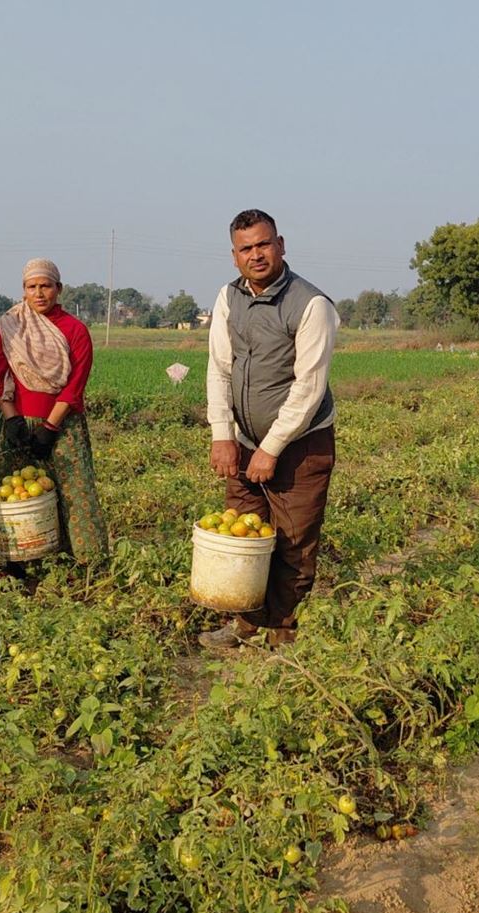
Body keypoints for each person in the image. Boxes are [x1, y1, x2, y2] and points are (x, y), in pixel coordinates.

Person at [199, 210, 340, 649]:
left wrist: (272, 447)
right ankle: (245, 621)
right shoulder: (228, 298)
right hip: (243, 439)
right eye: (246, 249)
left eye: (263, 245)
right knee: (244, 528)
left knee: (294, 538)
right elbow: (219, 369)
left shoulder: (311, 304)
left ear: (281, 244)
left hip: (301, 442)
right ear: (234, 255)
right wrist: (223, 432)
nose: (256, 255)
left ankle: (283, 630)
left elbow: (309, 386)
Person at [0, 258, 108, 565]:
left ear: (59, 288)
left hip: (63, 424)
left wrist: (50, 427)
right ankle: (18, 561)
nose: (39, 293)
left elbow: (74, 385)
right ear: (24, 290)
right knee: (14, 494)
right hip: (17, 423)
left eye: (45, 286)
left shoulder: (75, 330)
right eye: (32, 287)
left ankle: (83, 562)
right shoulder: (10, 327)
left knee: (73, 493)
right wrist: (12, 417)